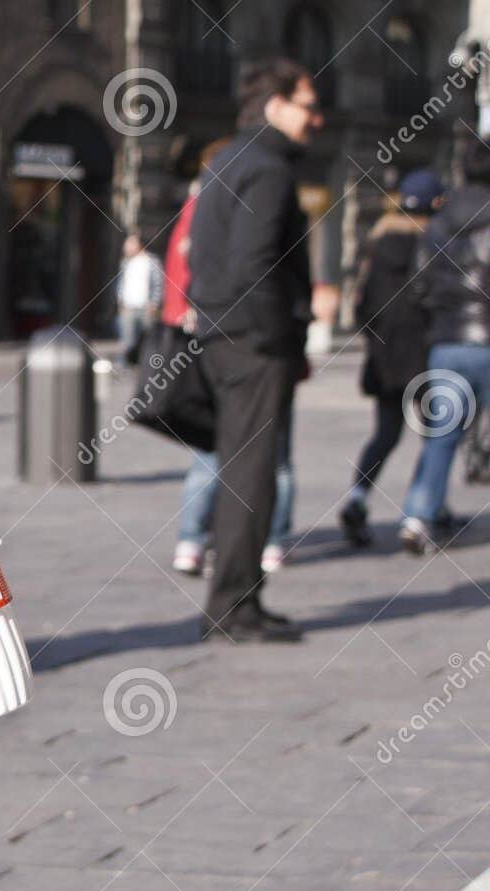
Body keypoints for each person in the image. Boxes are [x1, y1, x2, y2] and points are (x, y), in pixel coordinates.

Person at [187, 59, 321, 642]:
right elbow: (255, 262)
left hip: (223, 334)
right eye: (308, 106)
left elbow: (204, 255)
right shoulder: (268, 168)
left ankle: (235, 600)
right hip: (252, 342)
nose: (316, 118)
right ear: (275, 106)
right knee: (252, 475)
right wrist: (276, 338)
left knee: (241, 470)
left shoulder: (226, 161)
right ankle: (233, 608)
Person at [340, 169, 447, 547]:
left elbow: (360, 307)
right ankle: (423, 509)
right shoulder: (435, 243)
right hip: (426, 356)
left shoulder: (377, 243)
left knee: (385, 435)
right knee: (439, 435)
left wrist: (377, 339)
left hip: (386, 357)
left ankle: (357, 498)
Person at [398, 141, 490, 555]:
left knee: (442, 435)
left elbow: (417, 285)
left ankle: (418, 516)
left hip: (447, 339)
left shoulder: (438, 223)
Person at [116, 235, 163, 366]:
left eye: (130, 243)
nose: (126, 247)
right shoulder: (126, 262)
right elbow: (120, 283)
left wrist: (154, 303)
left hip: (146, 307)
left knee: (149, 339)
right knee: (126, 341)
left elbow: (158, 283)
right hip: (128, 307)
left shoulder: (152, 261)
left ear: (139, 244)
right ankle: (123, 368)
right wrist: (120, 301)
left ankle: (150, 367)